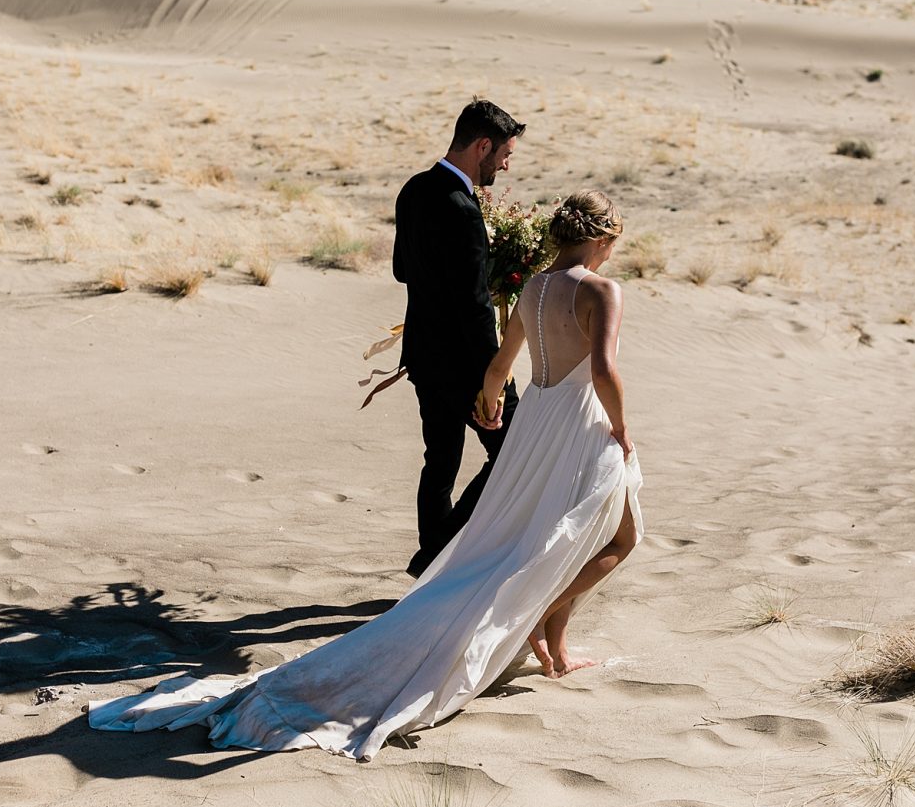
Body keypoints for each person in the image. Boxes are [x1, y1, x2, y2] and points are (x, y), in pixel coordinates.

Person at [88, 191, 642, 763]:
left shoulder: (534, 287)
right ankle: (543, 607)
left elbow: (503, 361)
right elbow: (603, 370)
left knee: (536, 531)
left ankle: (555, 640)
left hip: (537, 422)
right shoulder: (601, 290)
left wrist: (491, 400)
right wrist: (622, 430)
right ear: (602, 239)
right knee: (621, 537)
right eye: (612, 246)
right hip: (580, 422)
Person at [392, 99, 525, 579]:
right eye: (505, 153)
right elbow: (473, 307)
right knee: (517, 452)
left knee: (440, 461)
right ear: (483, 145)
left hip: (424, 358)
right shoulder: (463, 210)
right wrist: (496, 377)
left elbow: (401, 269)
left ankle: (431, 572)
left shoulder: (414, 190)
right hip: (469, 366)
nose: (507, 164)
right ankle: (439, 555)